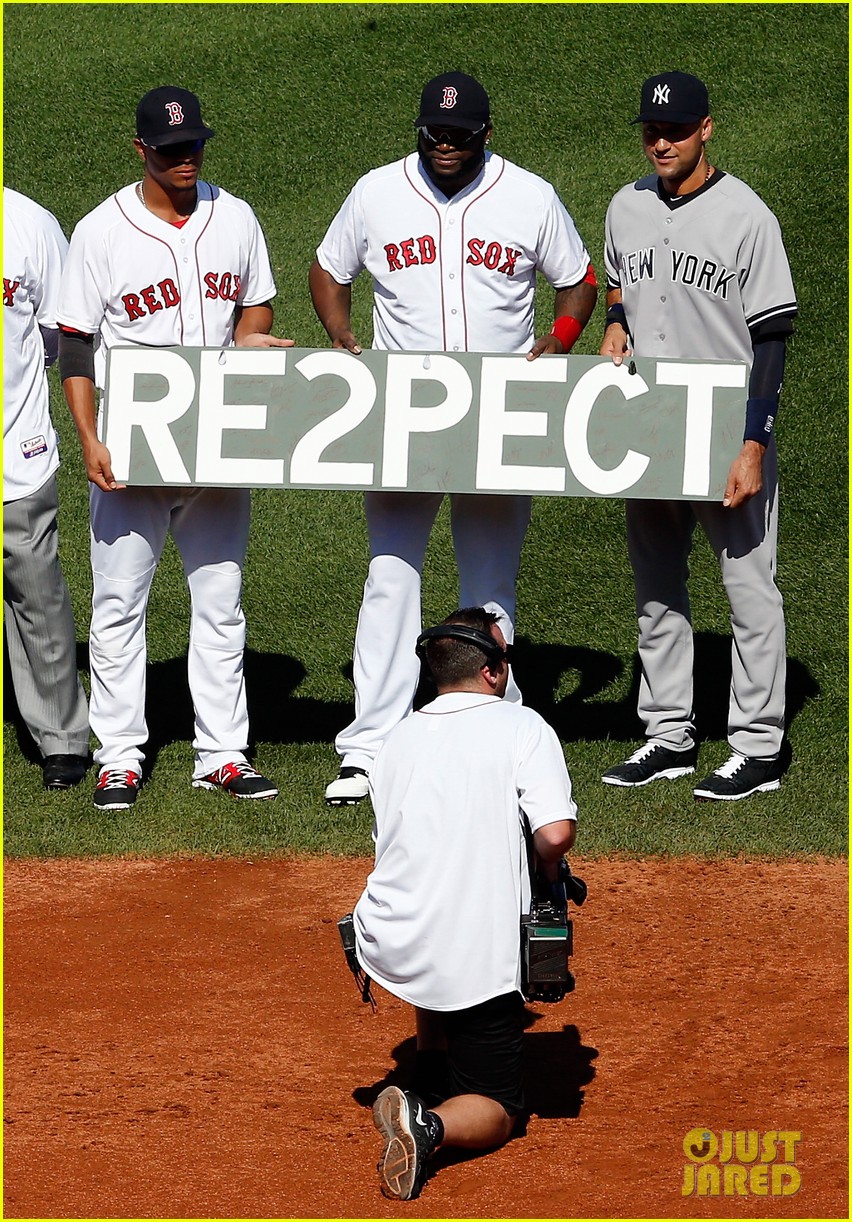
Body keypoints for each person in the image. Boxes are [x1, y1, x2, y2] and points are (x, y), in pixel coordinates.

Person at [310, 71, 597, 806]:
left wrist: (559, 340)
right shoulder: (377, 191)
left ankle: (497, 741)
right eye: (433, 134)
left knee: (491, 590)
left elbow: (579, 280)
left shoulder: (528, 195)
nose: (444, 147)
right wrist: (342, 336)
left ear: (485, 136)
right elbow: (326, 269)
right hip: (403, 414)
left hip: (498, 417)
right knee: (390, 580)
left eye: (458, 137)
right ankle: (370, 747)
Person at [57, 86, 293, 810]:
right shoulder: (101, 231)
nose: (185, 159)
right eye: (170, 150)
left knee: (220, 602)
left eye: (193, 145)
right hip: (132, 449)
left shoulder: (237, 216)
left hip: (218, 446)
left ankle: (222, 753)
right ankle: (120, 755)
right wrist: (90, 440)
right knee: (119, 604)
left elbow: (256, 302)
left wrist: (253, 334)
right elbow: (75, 342)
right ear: (141, 152)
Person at [600, 72, 797, 801]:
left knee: (749, 587)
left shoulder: (748, 217)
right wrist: (615, 320)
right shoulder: (625, 205)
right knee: (656, 586)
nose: (662, 142)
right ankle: (668, 734)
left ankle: (758, 745)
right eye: (652, 130)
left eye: (677, 130)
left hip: (723, 428)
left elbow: (773, 337)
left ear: (706, 129)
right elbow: (618, 278)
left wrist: (753, 445)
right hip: (650, 425)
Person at [352, 606, 578, 1200]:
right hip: (471, 949)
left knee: (442, 904)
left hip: (392, 933)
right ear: (493, 673)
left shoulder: (394, 737)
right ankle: (431, 1125)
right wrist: (549, 874)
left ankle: (428, 1071)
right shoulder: (523, 727)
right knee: (503, 1108)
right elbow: (554, 834)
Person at [3, 187, 90, 789]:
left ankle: (62, 739)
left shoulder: (27, 222)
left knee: (37, 597)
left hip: (17, 448)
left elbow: (62, 333)